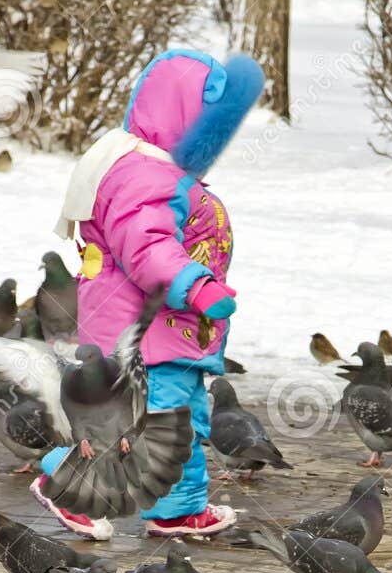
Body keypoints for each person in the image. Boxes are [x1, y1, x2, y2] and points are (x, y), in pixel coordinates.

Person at [33, 49, 263, 540]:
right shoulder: (143, 177)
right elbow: (146, 248)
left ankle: (174, 508)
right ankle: (68, 483)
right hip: (149, 331)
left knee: (175, 424)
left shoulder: (154, 173)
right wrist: (196, 288)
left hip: (170, 332)